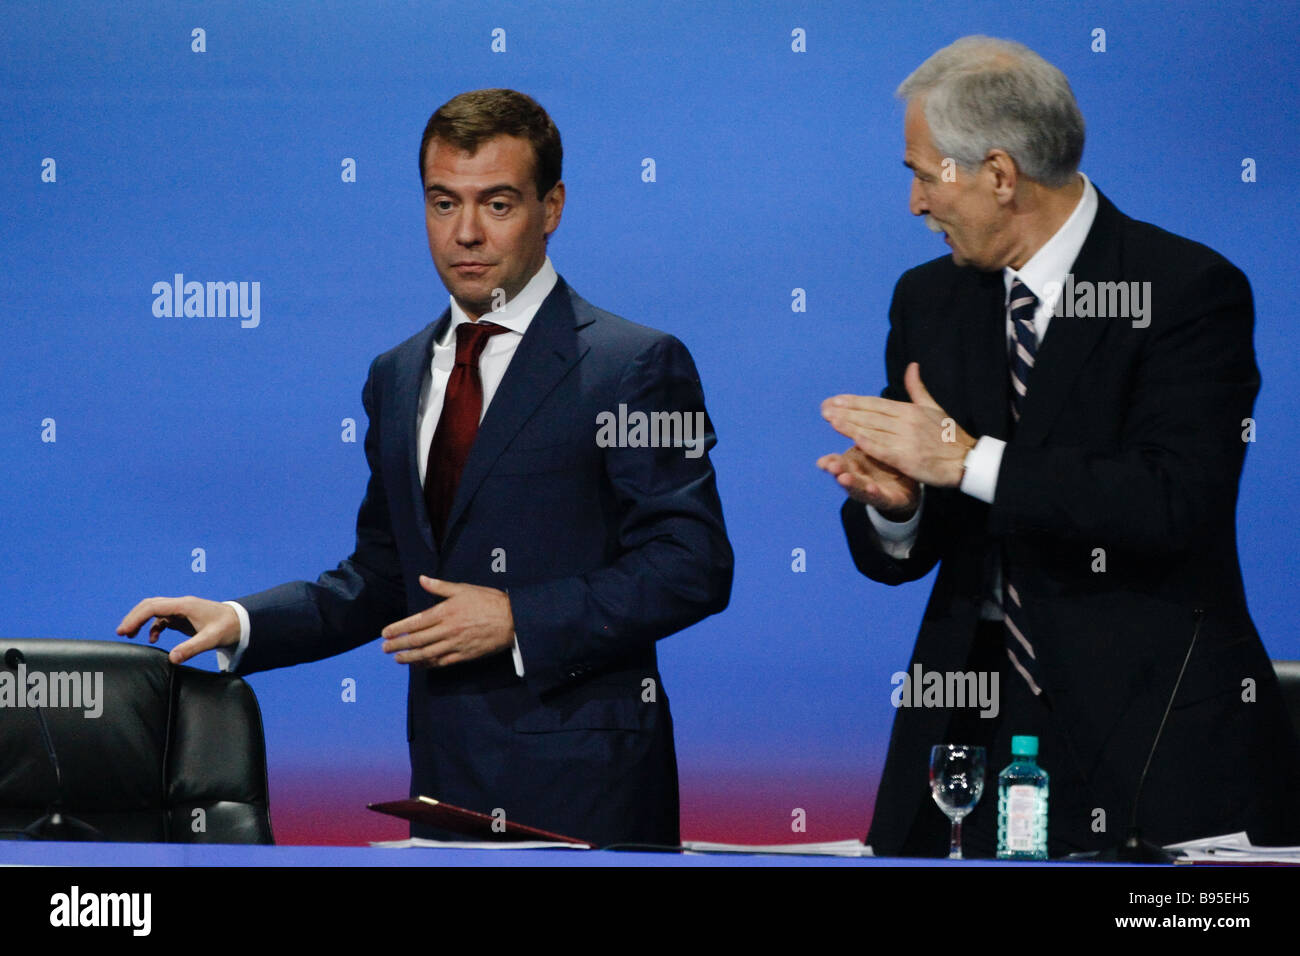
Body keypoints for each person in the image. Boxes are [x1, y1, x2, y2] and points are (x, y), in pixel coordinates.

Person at [117, 88, 733, 848]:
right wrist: (241, 622)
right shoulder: (398, 373)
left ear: (553, 207)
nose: (466, 233)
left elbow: (693, 563)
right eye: (444, 204)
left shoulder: (633, 364)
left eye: (497, 204)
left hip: (589, 792)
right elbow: (383, 575)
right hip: (443, 788)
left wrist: (516, 618)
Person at [817, 36, 1300, 858]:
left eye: (924, 173)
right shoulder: (930, 298)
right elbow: (917, 530)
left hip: (1152, 731)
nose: (913, 203)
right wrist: (900, 508)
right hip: (968, 725)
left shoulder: (1183, 290)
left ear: (1000, 175)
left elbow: (1173, 499)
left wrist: (966, 463)